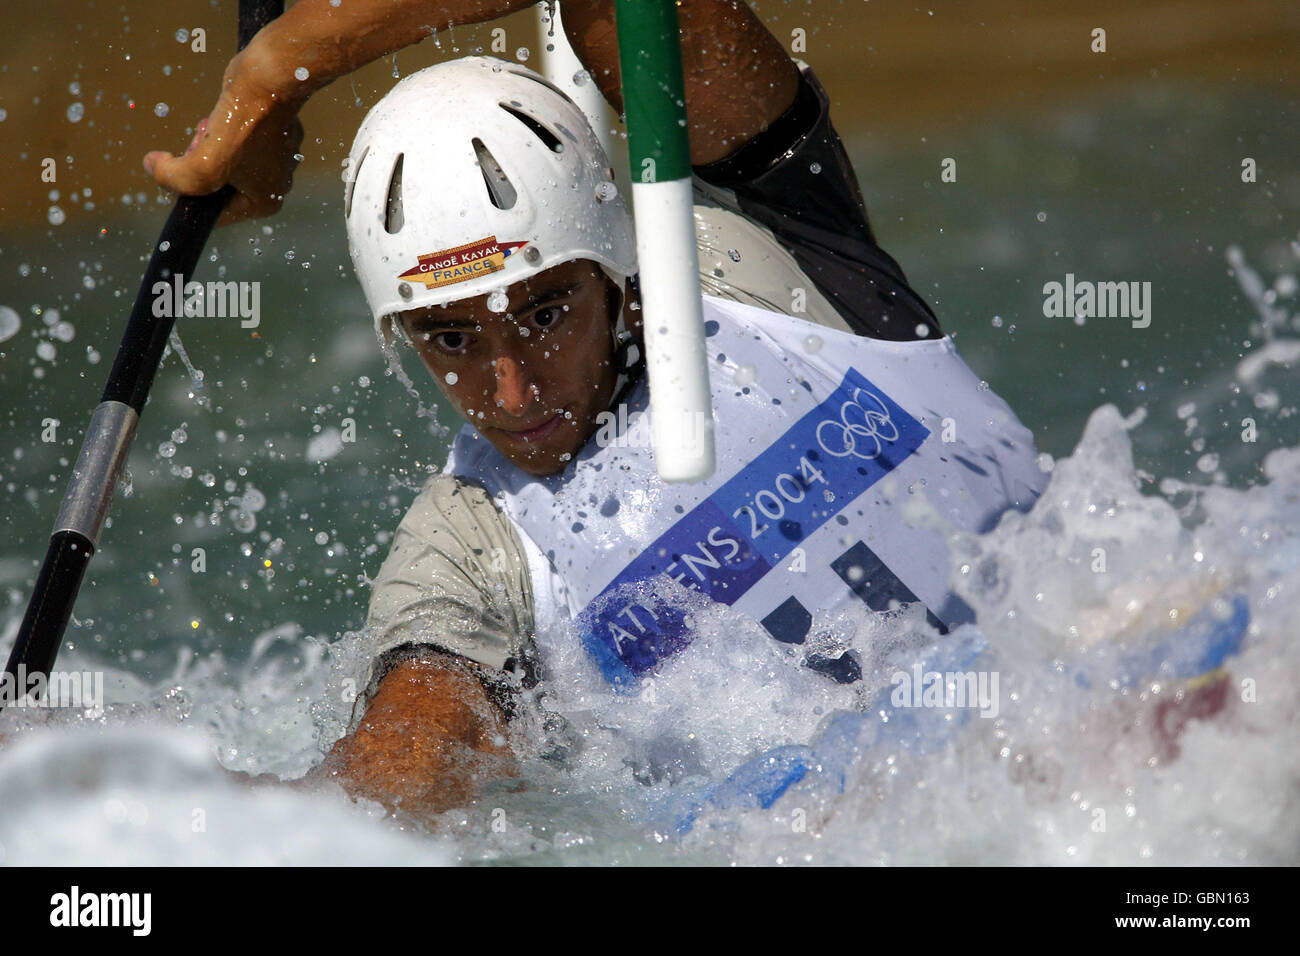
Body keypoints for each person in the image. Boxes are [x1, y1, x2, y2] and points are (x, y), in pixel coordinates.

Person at [145, 1, 1047, 815]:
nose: (510, 392)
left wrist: (289, 60)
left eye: (543, 314)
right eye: (449, 339)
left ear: (615, 271)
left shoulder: (779, 255)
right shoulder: (468, 554)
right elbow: (385, 787)